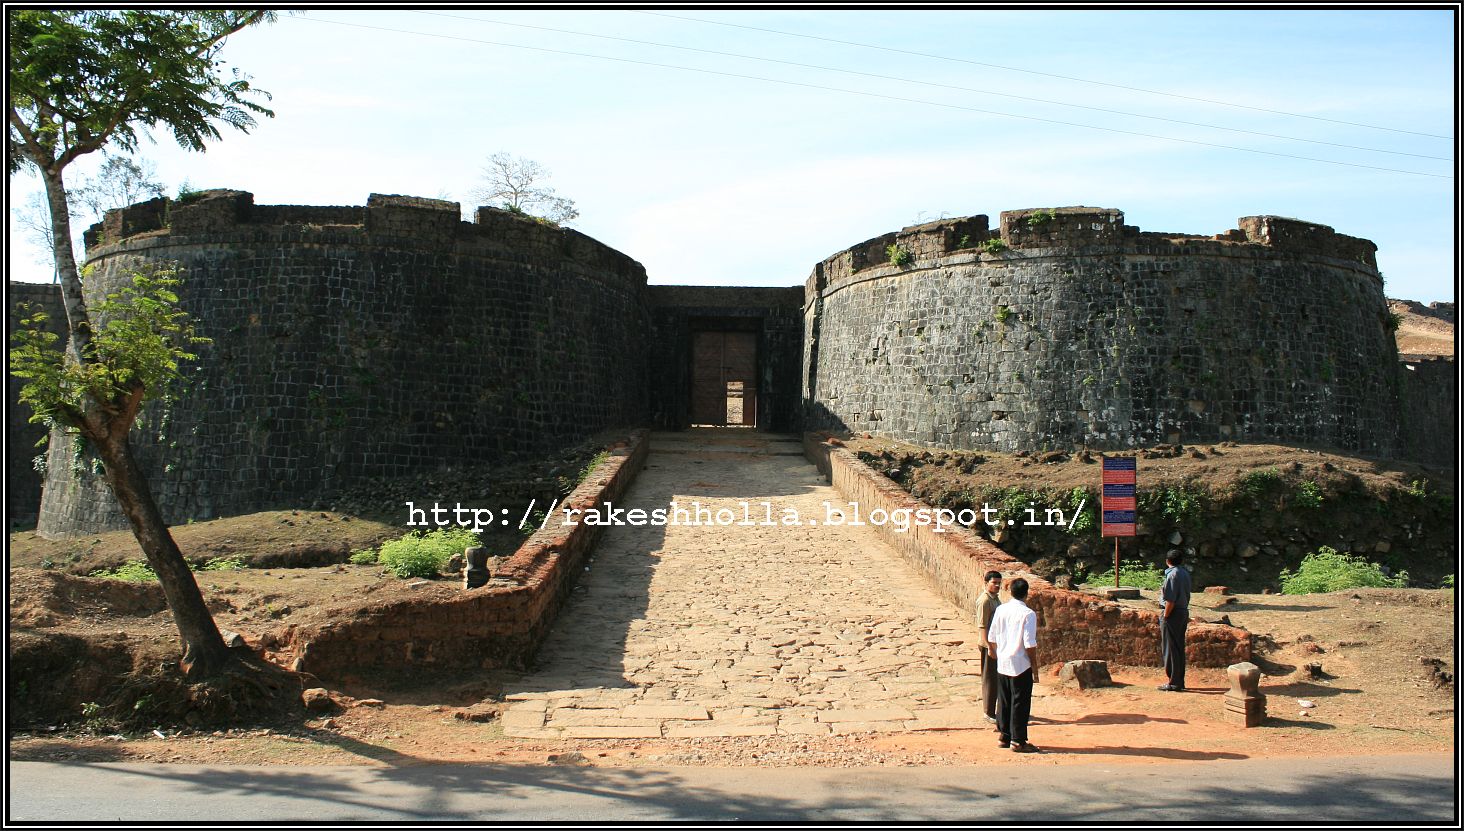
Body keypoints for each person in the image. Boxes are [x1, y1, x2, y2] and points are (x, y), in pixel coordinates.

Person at [987, 576, 1040, 753]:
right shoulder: (1028, 614)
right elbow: (1029, 644)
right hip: (1020, 663)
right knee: (1020, 702)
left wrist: (995, 652)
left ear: (1010, 592)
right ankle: (1018, 740)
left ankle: (1004, 735)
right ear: (1026, 593)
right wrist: (1034, 666)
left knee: (1004, 700)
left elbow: (992, 636)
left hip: (1003, 662)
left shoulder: (1001, 610)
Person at [1158, 549, 1192, 692]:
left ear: (1167, 561)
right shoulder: (1184, 573)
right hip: (1182, 612)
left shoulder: (1172, 575)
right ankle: (1178, 681)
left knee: (1170, 648)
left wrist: (1166, 616)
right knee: (1178, 648)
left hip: (1172, 613)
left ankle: (1173, 682)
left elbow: (1170, 600)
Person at [972, 570, 1003, 724]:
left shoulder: (995, 599)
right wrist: (989, 646)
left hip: (995, 642)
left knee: (996, 677)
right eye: (994, 583)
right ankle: (988, 712)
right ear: (986, 583)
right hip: (988, 644)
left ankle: (995, 710)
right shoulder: (984, 601)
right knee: (990, 678)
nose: (997, 586)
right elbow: (982, 626)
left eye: (999, 583)